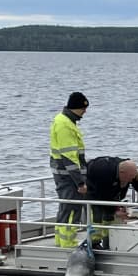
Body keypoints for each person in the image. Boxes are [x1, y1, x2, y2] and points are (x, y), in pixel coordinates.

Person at [84, 157, 138, 250]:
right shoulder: (103, 173)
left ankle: (108, 242)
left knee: (111, 219)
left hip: (111, 192)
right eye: (130, 179)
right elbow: (102, 196)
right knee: (98, 216)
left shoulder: (130, 172)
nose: (131, 181)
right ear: (122, 173)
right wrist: (115, 210)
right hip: (95, 191)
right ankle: (93, 243)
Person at [50, 92, 89, 248]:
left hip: (64, 173)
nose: (85, 112)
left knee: (65, 206)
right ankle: (68, 242)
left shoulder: (65, 121)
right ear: (76, 108)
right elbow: (69, 157)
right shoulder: (65, 125)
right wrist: (80, 182)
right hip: (68, 174)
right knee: (72, 206)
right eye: (83, 108)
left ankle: (61, 239)